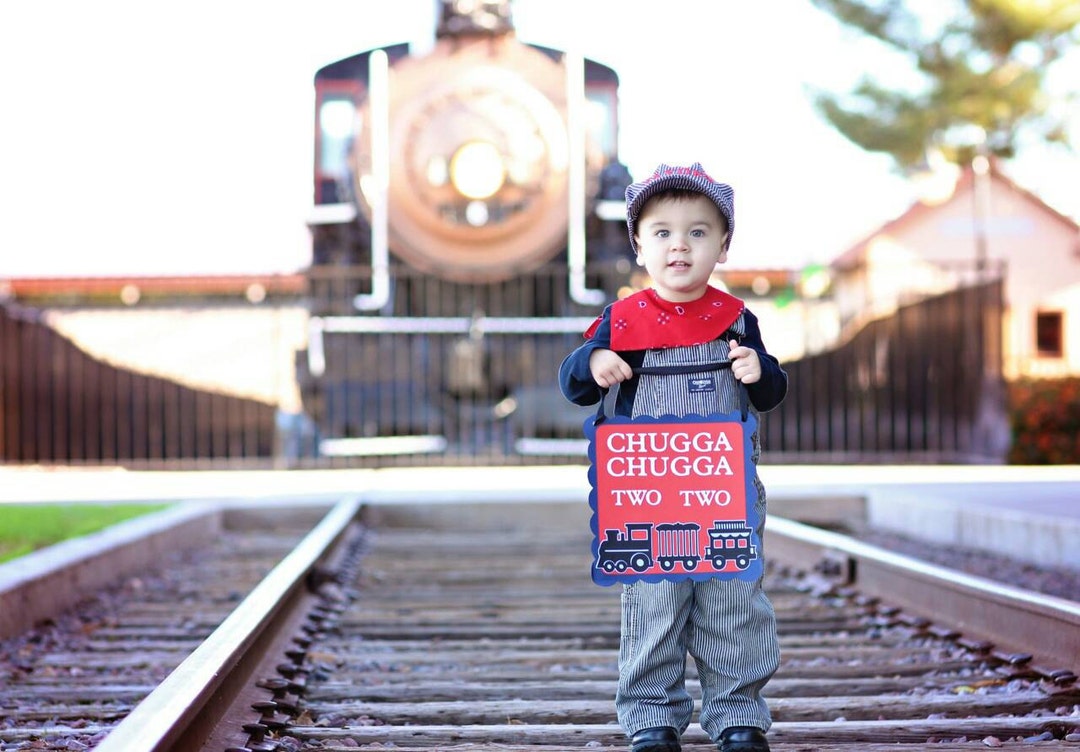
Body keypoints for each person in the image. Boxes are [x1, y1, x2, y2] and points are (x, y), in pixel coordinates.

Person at [558, 163, 787, 752]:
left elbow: (771, 393)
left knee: (731, 600)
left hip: (724, 496)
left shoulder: (736, 320)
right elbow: (573, 384)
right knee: (655, 603)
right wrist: (593, 363)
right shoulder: (620, 321)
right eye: (662, 233)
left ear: (723, 246)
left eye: (698, 232)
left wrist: (761, 372)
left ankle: (737, 713)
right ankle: (651, 717)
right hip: (646, 500)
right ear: (639, 245)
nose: (679, 245)